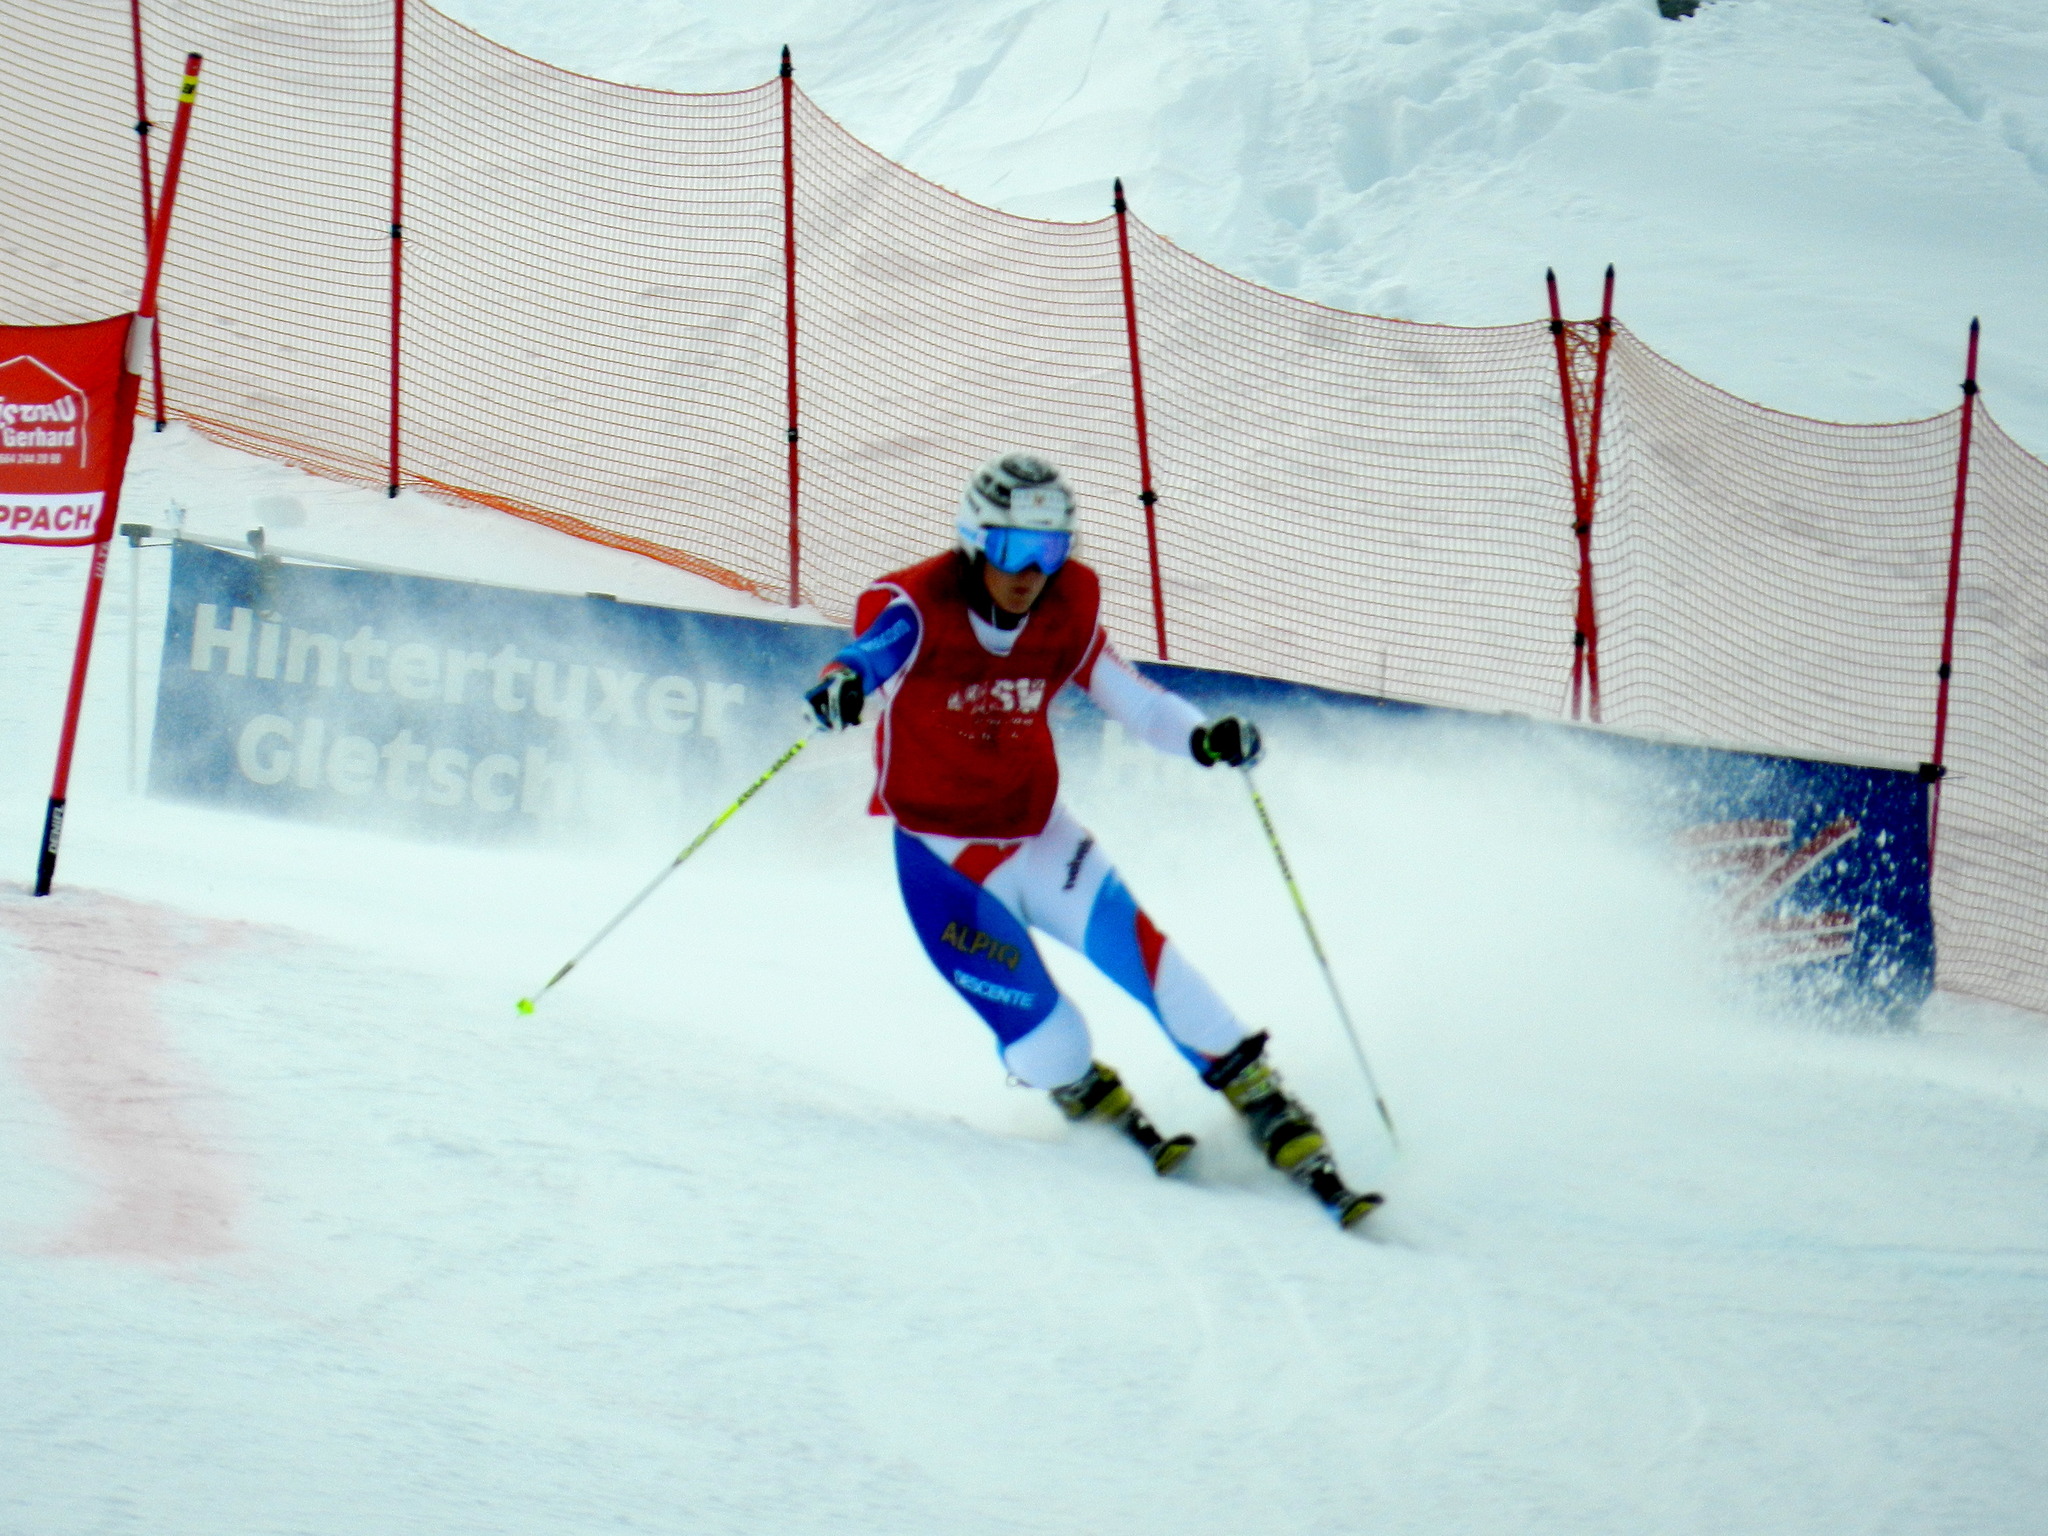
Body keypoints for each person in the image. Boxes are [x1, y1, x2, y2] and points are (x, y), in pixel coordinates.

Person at [807, 454, 1379, 1228]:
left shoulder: (1066, 604)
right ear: (975, 543)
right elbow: (868, 655)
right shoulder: (918, 600)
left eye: (1050, 551)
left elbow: (1134, 701)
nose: (1031, 573)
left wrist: (1202, 738)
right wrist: (842, 684)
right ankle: (1082, 1090)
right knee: (1052, 1047)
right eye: (1013, 550)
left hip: (1041, 836)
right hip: (946, 865)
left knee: (1154, 964)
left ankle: (1263, 1099)